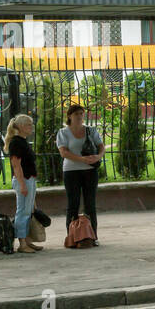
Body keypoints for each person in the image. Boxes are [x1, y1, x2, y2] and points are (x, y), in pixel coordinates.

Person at [57, 104, 104, 246]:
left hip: (90, 170)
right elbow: (63, 152)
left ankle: (92, 236)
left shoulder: (91, 130)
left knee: (90, 204)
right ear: (69, 116)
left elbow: (101, 145)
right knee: (73, 204)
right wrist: (81, 159)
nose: (79, 117)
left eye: (81, 114)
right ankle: (72, 236)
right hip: (71, 171)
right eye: (76, 114)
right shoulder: (63, 132)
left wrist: (98, 156)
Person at [6, 114, 40, 254]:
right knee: (23, 212)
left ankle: (26, 241)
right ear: (20, 127)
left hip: (28, 179)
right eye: (28, 125)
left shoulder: (22, 141)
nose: (31, 127)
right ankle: (22, 243)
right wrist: (22, 185)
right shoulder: (17, 143)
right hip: (24, 180)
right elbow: (16, 165)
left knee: (27, 211)